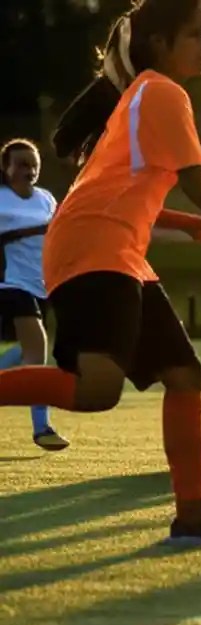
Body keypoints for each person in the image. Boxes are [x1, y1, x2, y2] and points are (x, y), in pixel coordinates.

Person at [0, 0, 201, 542]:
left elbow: (131, 187)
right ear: (159, 43)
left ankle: (193, 515)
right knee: (96, 390)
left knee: (184, 374)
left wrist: (188, 221)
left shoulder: (143, 95)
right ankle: (193, 514)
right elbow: (200, 182)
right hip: (94, 246)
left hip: (115, 246)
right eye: (197, 33)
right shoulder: (161, 93)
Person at [0, 139, 70, 450]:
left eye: (33, 163)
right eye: (21, 164)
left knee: (28, 352)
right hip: (11, 285)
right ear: (7, 168)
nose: (29, 169)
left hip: (44, 285)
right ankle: (42, 428)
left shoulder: (46, 198)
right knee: (38, 348)